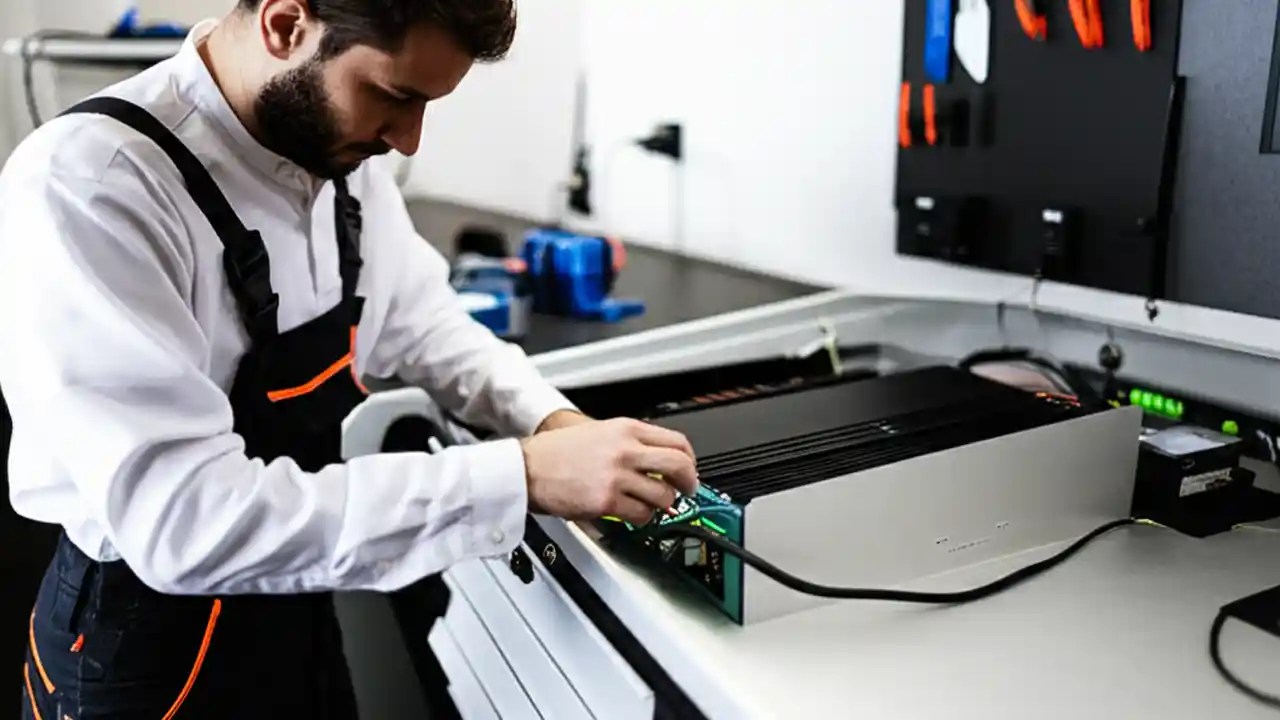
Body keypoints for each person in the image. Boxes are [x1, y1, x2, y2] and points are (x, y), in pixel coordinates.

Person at [0, 1, 698, 717]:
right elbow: (185, 520)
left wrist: (552, 421)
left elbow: (423, 320)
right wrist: (518, 475)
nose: (408, 139)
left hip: (291, 609)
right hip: (140, 653)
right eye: (396, 96)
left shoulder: (333, 148)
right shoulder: (94, 183)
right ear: (283, 24)